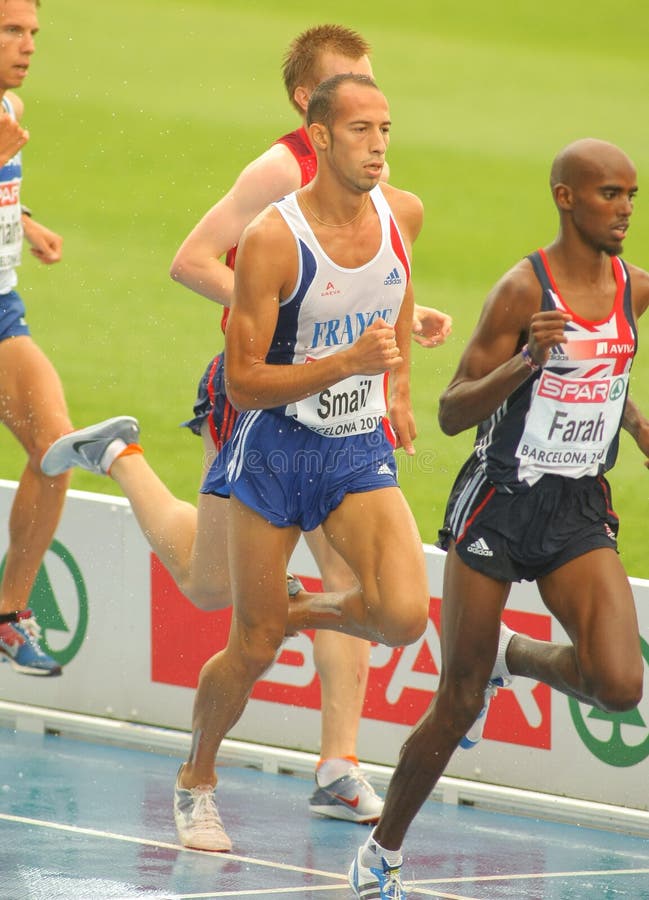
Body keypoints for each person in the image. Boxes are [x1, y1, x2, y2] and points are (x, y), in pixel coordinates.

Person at [42, 24, 451, 825]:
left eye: (379, 107)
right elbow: (195, 262)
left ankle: (337, 760)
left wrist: (386, 361)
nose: (373, 124)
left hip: (350, 427)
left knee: (377, 600)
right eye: (352, 102)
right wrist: (304, 317)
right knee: (210, 587)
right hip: (266, 402)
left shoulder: (388, 199)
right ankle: (121, 453)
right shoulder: (276, 181)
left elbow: (386, 278)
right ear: (313, 112)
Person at [348, 137, 649, 899]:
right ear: (565, 197)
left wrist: (636, 426)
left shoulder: (632, 289)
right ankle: (382, 850)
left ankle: (514, 661)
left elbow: (604, 371)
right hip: (499, 501)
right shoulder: (523, 291)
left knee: (618, 683)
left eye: (629, 196)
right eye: (607, 194)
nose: (621, 210)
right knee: (454, 699)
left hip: (577, 505)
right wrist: (525, 361)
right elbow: (451, 412)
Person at [166, 71, 431, 853]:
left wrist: (399, 386)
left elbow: (398, 291)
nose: (378, 145)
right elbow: (243, 381)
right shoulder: (276, 239)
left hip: (355, 448)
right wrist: (344, 364)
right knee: (249, 646)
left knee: (403, 615)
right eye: (359, 130)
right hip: (274, 447)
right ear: (317, 137)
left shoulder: (402, 212)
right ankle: (196, 781)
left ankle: (290, 609)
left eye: (385, 128)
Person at [0, 0, 71, 678]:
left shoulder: (9, 112)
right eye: (11, 31)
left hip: (1, 310)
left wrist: (26, 219)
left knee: (56, 450)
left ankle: (8, 614)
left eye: (31, 33)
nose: (27, 46)